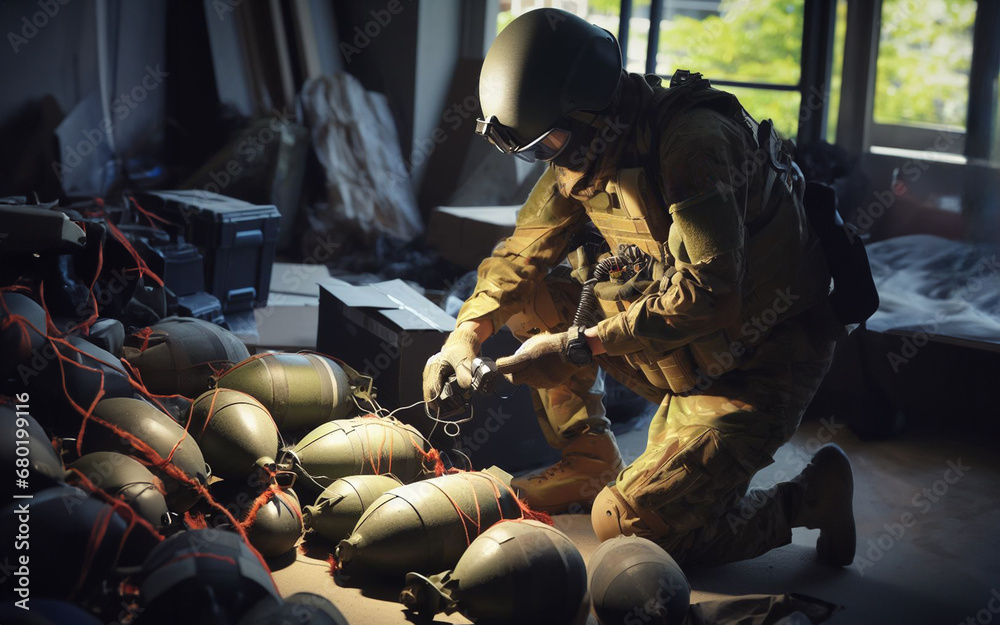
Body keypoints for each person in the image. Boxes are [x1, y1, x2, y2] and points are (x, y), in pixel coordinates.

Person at [422, 8, 857, 567]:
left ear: (593, 110)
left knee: (629, 526)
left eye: (549, 141)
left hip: (759, 364)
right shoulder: (586, 151)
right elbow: (518, 257)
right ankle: (587, 459)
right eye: (534, 150)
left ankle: (812, 498)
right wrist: (464, 334)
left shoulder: (693, 146)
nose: (549, 159)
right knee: (531, 294)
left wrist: (579, 346)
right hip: (676, 352)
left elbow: (711, 293)